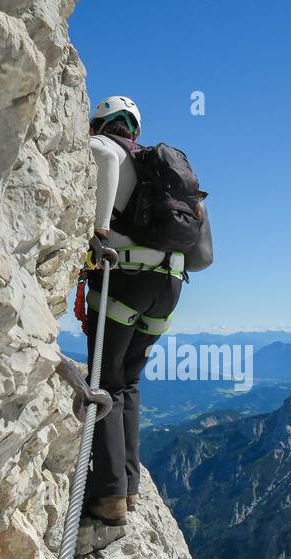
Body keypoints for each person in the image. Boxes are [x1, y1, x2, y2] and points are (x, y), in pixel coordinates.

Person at [80, 95, 197, 527]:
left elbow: (105, 164)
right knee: (128, 380)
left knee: (106, 381)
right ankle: (128, 486)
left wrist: (99, 230)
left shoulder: (103, 147)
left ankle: (111, 495)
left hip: (123, 279)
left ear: (100, 124)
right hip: (170, 286)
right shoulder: (163, 171)